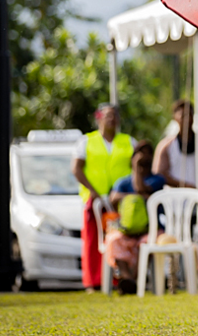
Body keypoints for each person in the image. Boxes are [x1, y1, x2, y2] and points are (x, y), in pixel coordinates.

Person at [70, 103, 136, 293]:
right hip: (96, 200)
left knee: (121, 237)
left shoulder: (128, 141)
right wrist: (92, 191)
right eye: (108, 115)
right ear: (98, 118)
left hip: (121, 200)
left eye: (115, 115)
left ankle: (120, 279)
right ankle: (93, 281)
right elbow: (76, 169)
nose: (112, 119)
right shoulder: (86, 141)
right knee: (93, 240)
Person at [103, 141, 162, 295]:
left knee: (146, 244)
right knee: (113, 239)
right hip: (127, 229)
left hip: (150, 229)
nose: (144, 157)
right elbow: (113, 198)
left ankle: (134, 280)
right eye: (141, 153)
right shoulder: (123, 182)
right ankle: (128, 278)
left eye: (148, 153)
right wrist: (136, 197)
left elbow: (140, 188)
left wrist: (136, 169)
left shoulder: (157, 180)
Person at [153, 99, 198, 188]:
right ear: (175, 118)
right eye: (183, 116)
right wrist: (186, 186)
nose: (187, 119)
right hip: (177, 194)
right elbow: (160, 174)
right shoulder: (166, 146)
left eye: (190, 114)